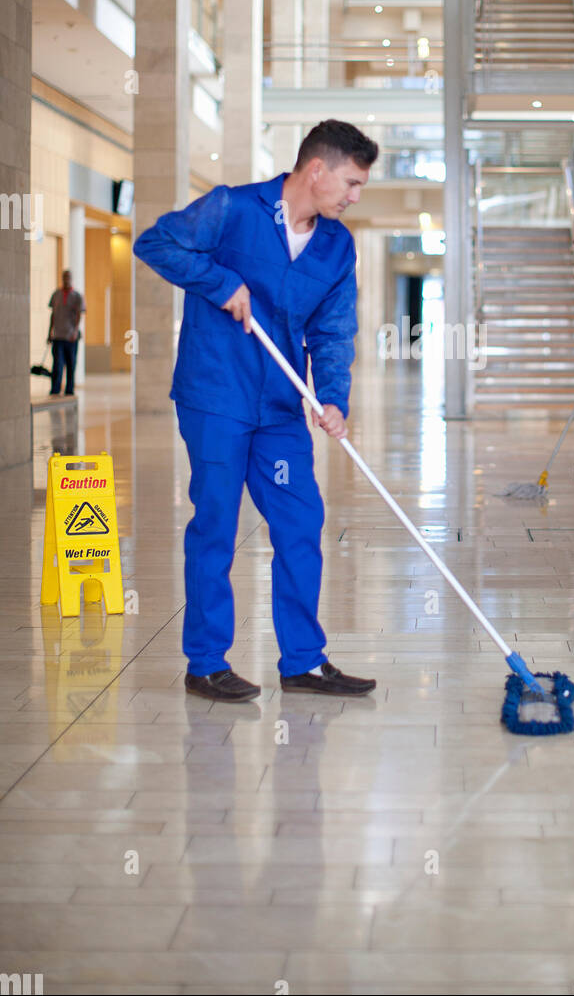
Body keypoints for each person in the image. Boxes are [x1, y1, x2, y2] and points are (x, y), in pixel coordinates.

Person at [133, 119, 379, 703]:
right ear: (315, 170)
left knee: (300, 521)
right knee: (215, 523)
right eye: (350, 182)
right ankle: (205, 662)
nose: (354, 196)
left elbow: (334, 330)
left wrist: (334, 398)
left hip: (277, 408)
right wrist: (218, 281)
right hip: (216, 396)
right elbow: (155, 242)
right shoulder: (232, 210)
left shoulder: (337, 245)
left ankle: (302, 660)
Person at [48, 269, 85, 397]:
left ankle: (69, 390)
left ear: (71, 278)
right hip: (58, 336)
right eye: (64, 276)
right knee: (57, 364)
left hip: (71, 337)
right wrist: (50, 333)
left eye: (68, 276)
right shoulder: (56, 294)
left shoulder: (77, 296)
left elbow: (79, 315)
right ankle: (55, 389)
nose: (66, 279)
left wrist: (75, 331)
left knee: (71, 364)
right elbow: (53, 314)